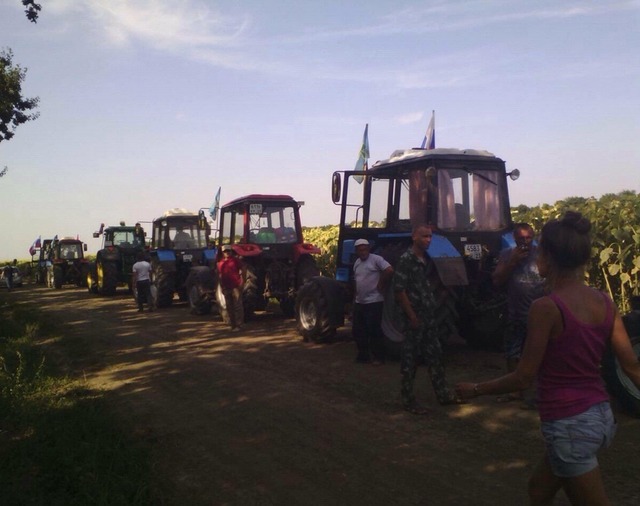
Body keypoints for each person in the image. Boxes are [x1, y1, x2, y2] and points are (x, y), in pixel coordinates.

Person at [456, 211, 640, 505]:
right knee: (539, 490)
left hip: (570, 424)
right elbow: (631, 366)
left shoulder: (546, 308)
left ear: (550, 257)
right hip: (600, 416)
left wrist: (476, 390)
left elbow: (524, 377)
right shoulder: (604, 301)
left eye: (539, 249)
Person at [394, 225, 464, 414]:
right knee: (410, 361)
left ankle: (443, 394)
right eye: (424, 236)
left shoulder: (424, 259)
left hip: (429, 318)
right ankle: (408, 400)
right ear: (414, 237)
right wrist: (412, 316)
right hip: (415, 319)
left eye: (430, 237)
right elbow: (399, 291)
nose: (428, 240)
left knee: (435, 357)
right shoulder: (406, 260)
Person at [492, 222, 545, 404]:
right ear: (514, 239)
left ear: (533, 237)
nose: (525, 242)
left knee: (541, 353)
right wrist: (512, 262)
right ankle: (515, 391)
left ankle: (541, 392)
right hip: (516, 312)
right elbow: (497, 280)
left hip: (539, 315)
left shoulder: (542, 255)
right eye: (521, 238)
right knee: (513, 353)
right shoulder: (507, 254)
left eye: (528, 238)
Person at [352, 238, 394, 365]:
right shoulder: (357, 263)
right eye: (360, 250)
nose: (363, 252)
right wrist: (354, 298)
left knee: (374, 330)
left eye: (365, 249)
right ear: (357, 251)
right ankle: (363, 356)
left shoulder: (376, 259)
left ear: (369, 249)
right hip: (360, 302)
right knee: (358, 330)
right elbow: (356, 281)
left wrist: (381, 284)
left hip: (374, 301)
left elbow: (389, 270)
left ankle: (379, 357)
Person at [217, 244, 244, 331]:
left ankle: (239, 325)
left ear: (231, 252)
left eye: (228, 251)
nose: (227, 253)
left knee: (237, 306)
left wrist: (242, 282)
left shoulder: (236, 261)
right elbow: (220, 275)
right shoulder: (220, 263)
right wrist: (221, 286)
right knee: (229, 306)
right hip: (226, 286)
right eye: (225, 251)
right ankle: (233, 325)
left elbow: (242, 271)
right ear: (222, 253)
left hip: (235, 286)